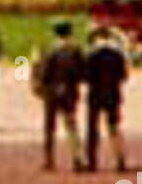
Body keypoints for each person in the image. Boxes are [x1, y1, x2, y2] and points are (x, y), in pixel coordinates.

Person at [35, 21, 84, 171]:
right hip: (69, 92)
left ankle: (49, 159)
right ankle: (77, 158)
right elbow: (82, 73)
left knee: (50, 127)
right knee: (71, 125)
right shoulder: (75, 51)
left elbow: (44, 74)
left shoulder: (50, 51)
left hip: (52, 92)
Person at [82, 26, 128, 173]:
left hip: (95, 95)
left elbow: (85, 77)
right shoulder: (118, 56)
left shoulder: (91, 56)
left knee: (92, 128)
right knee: (114, 127)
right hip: (113, 94)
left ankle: (91, 160)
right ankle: (119, 157)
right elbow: (123, 76)